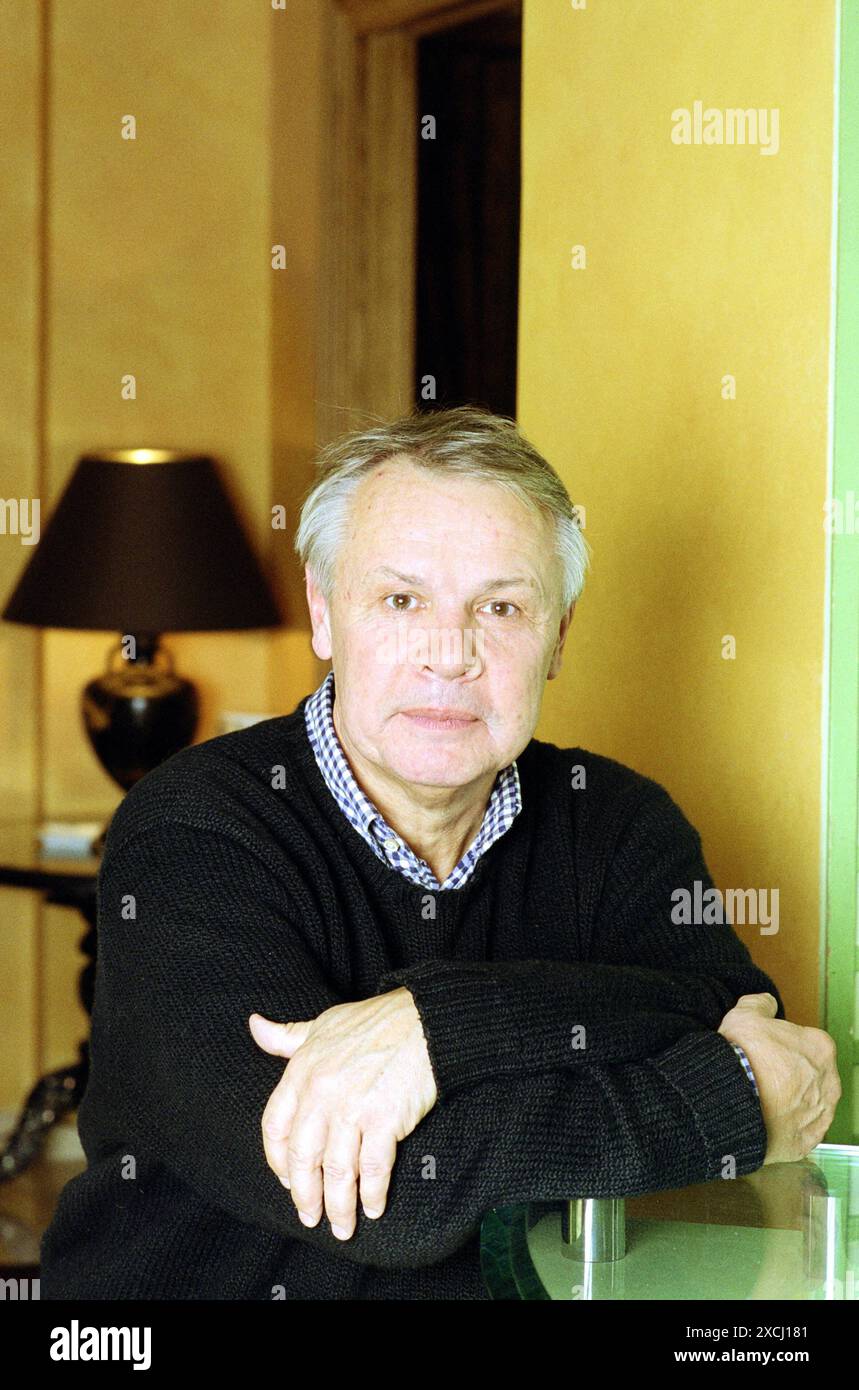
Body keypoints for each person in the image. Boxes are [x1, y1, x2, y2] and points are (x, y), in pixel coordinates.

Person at [40, 405, 840, 1300]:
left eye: (501, 607)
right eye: (400, 599)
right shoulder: (194, 832)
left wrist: (435, 1033)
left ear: (558, 638)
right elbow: (393, 1198)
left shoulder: (617, 822)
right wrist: (730, 1100)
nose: (450, 654)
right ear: (323, 611)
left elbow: (736, 1011)